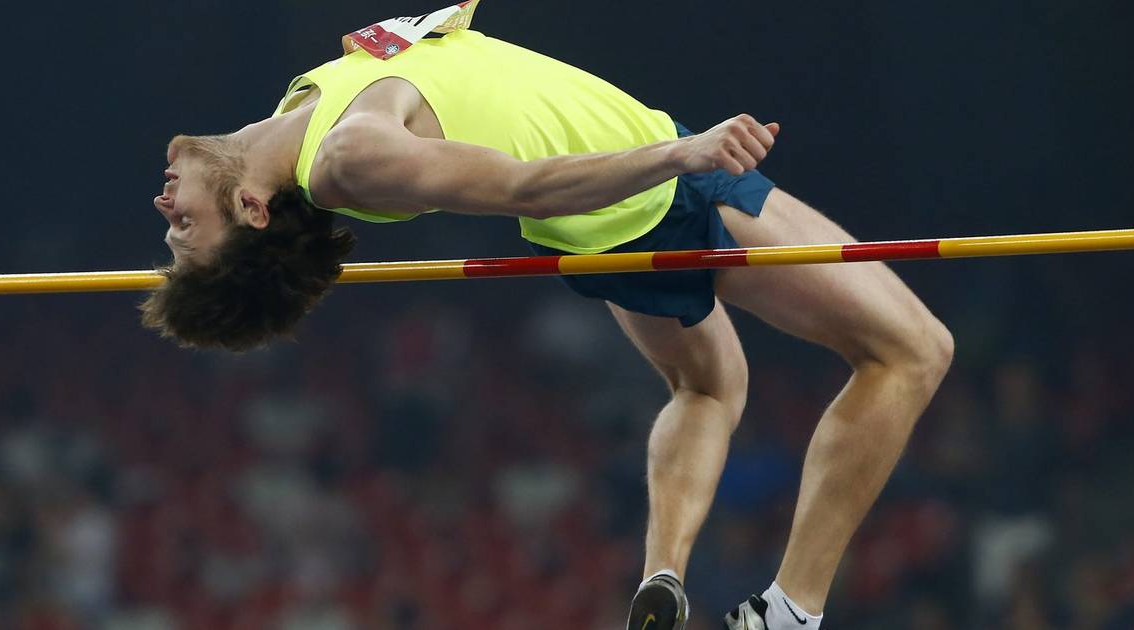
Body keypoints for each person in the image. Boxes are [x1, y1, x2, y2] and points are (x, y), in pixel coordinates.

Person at [143, 10, 953, 630]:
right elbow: (524, 186)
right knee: (912, 352)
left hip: (610, 222)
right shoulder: (352, 156)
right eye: (183, 230)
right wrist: (684, 155)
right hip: (657, 185)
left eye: (171, 226)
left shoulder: (299, 107)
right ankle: (791, 611)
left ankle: (661, 577)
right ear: (250, 208)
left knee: (708, 387)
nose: (165, 208)